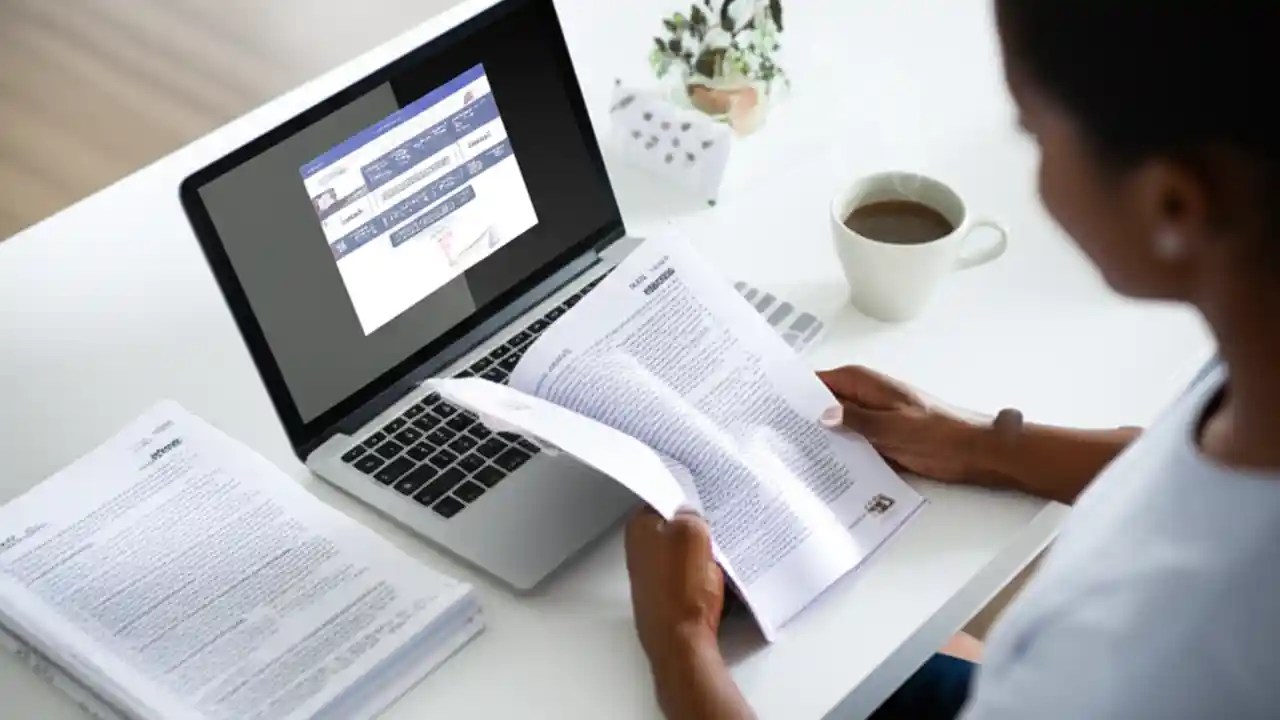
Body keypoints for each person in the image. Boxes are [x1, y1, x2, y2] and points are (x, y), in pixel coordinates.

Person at [624, 1, 1280, 718]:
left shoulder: (1156, 662)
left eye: (1034, 136)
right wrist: (979, 444)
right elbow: (1179, 465)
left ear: (1172, 205)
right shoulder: (1256, 374)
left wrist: (680, 645)